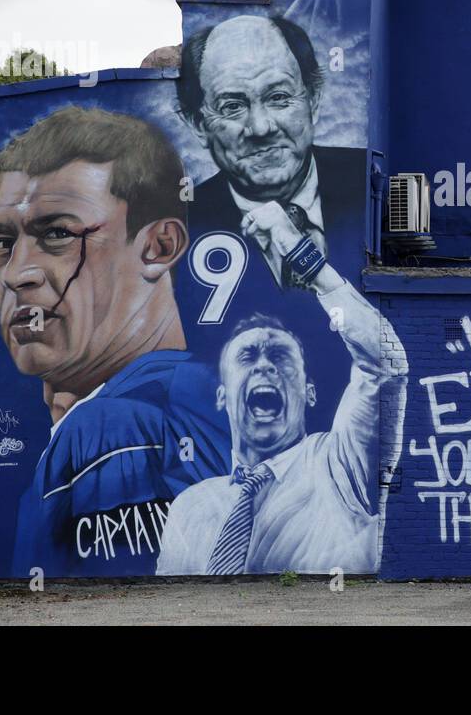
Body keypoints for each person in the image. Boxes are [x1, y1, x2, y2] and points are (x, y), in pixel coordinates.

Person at [0, 106, 230, 577]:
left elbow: (120, 601)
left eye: (58, 233)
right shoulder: (199, 399)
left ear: (158, 246)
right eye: (2, 242)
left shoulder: (110, 428)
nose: (17, 274)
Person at [156, 202, 407, 575]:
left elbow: (387, 363)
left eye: (279, 355)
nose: (264, 365)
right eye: (247, 356)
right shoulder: (190, 507)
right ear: (223, 397)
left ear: (309, 393)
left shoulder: (340, 461)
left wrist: (295, 246)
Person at [176, 13, 366, 289]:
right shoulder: (181, 225)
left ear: (313, 101)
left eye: (278, 97)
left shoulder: (371, 186)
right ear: (198, 124)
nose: (261, 128)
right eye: (232, 106)